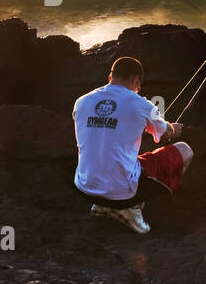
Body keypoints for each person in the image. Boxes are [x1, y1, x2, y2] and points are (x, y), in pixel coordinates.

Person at [72, 56, 192, 234]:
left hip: (84, 187)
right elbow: (165, 133)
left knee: (115, 154)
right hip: (123, 194)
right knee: (184, 150)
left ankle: (103, 204)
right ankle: (132, 207)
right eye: (138, 86)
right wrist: (173, 128)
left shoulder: (81, 102)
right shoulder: (142, 104)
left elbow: (104, 132)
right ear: (135, 81)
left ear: (110, 78)